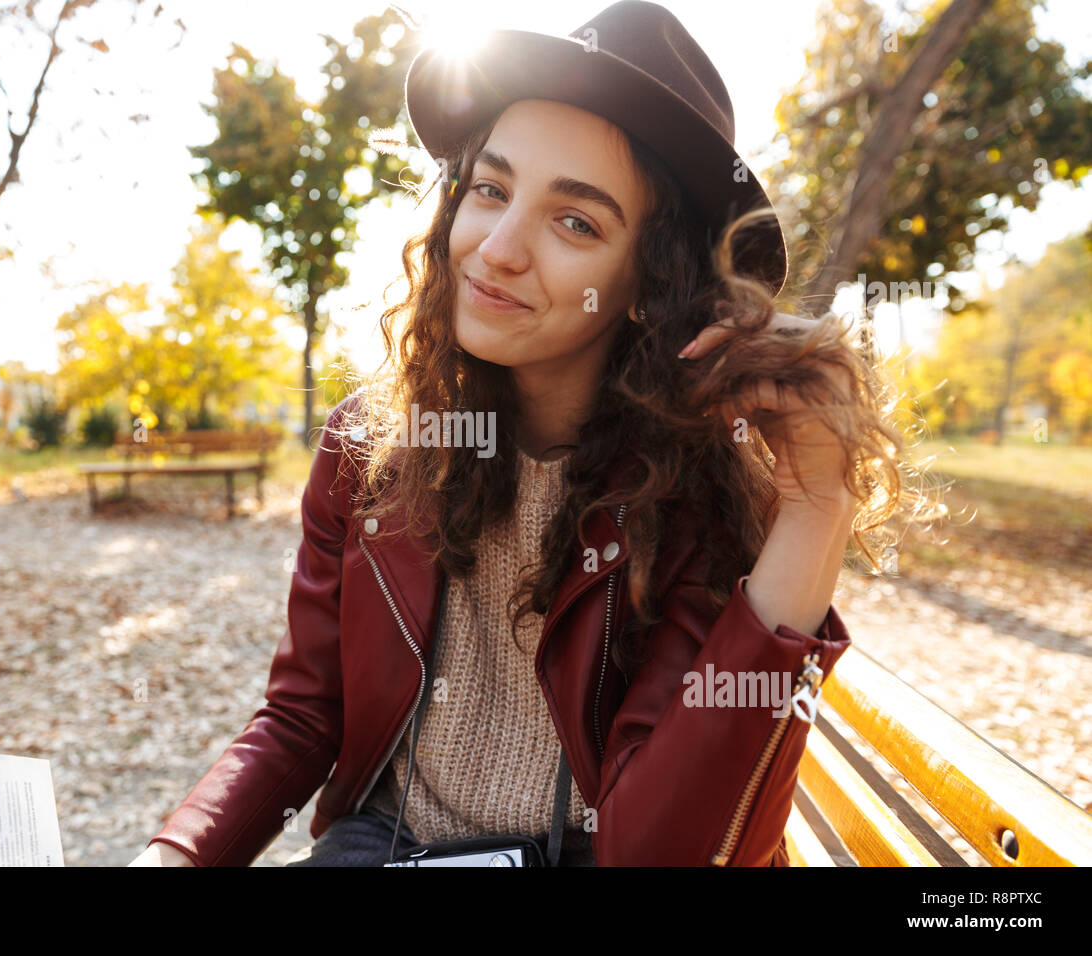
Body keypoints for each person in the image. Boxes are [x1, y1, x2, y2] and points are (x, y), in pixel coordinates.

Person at [130, 0, 907, 867]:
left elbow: (665, 854)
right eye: (490, 190)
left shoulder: (701, 504)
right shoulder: (372, 448)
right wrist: (178, 854)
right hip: (384, 845)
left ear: (653, 282)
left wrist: (815, 513)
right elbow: (305, 716)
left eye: (575, 222)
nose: (497, 248)